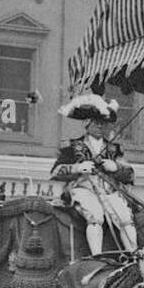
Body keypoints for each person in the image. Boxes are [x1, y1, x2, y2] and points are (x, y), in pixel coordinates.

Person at [51, 93, 138, 258]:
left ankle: (135, 256)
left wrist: (116, 167)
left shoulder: (114, 149)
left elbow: (130, 175)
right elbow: (55, 172)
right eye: (96, 121)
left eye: (103, 122)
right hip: (84, 190)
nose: (100, 126)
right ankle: (97, 256)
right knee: (95, 216)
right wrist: (77, 168)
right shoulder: (71, 146)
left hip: (109, 192)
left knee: (125, 218)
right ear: (87, 123)